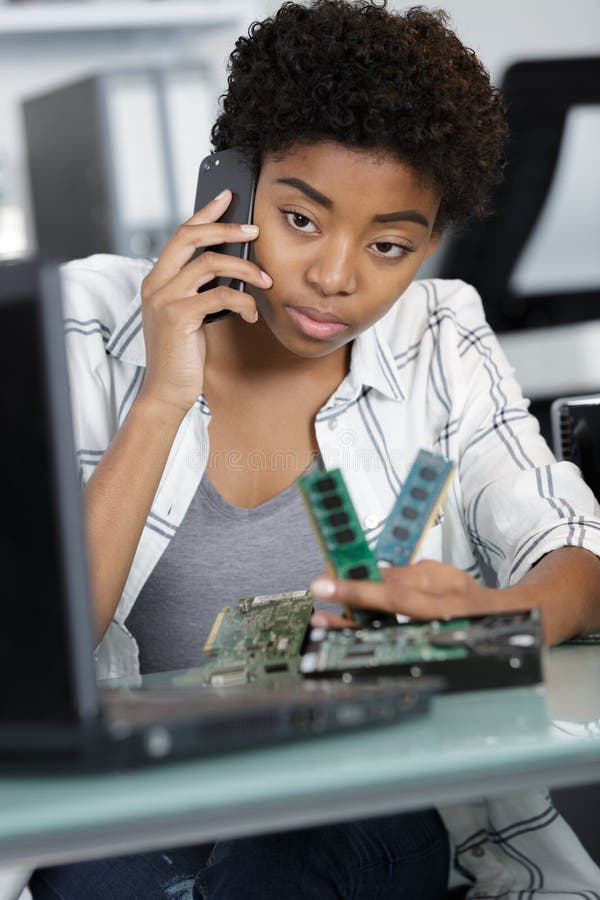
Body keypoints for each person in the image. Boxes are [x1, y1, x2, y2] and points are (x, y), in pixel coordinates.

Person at [30, 1, 600, 898]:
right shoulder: (85, 319)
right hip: (138, 806)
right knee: (107, 872)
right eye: (301, 220)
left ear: (432, 240)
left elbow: (574, 551)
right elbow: (40, 655)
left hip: (355, 806)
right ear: (232, 185)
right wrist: (163, 397)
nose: (337, 277)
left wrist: (497, 620)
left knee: (288, 859)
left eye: (389, 244)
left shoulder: (439, 336)